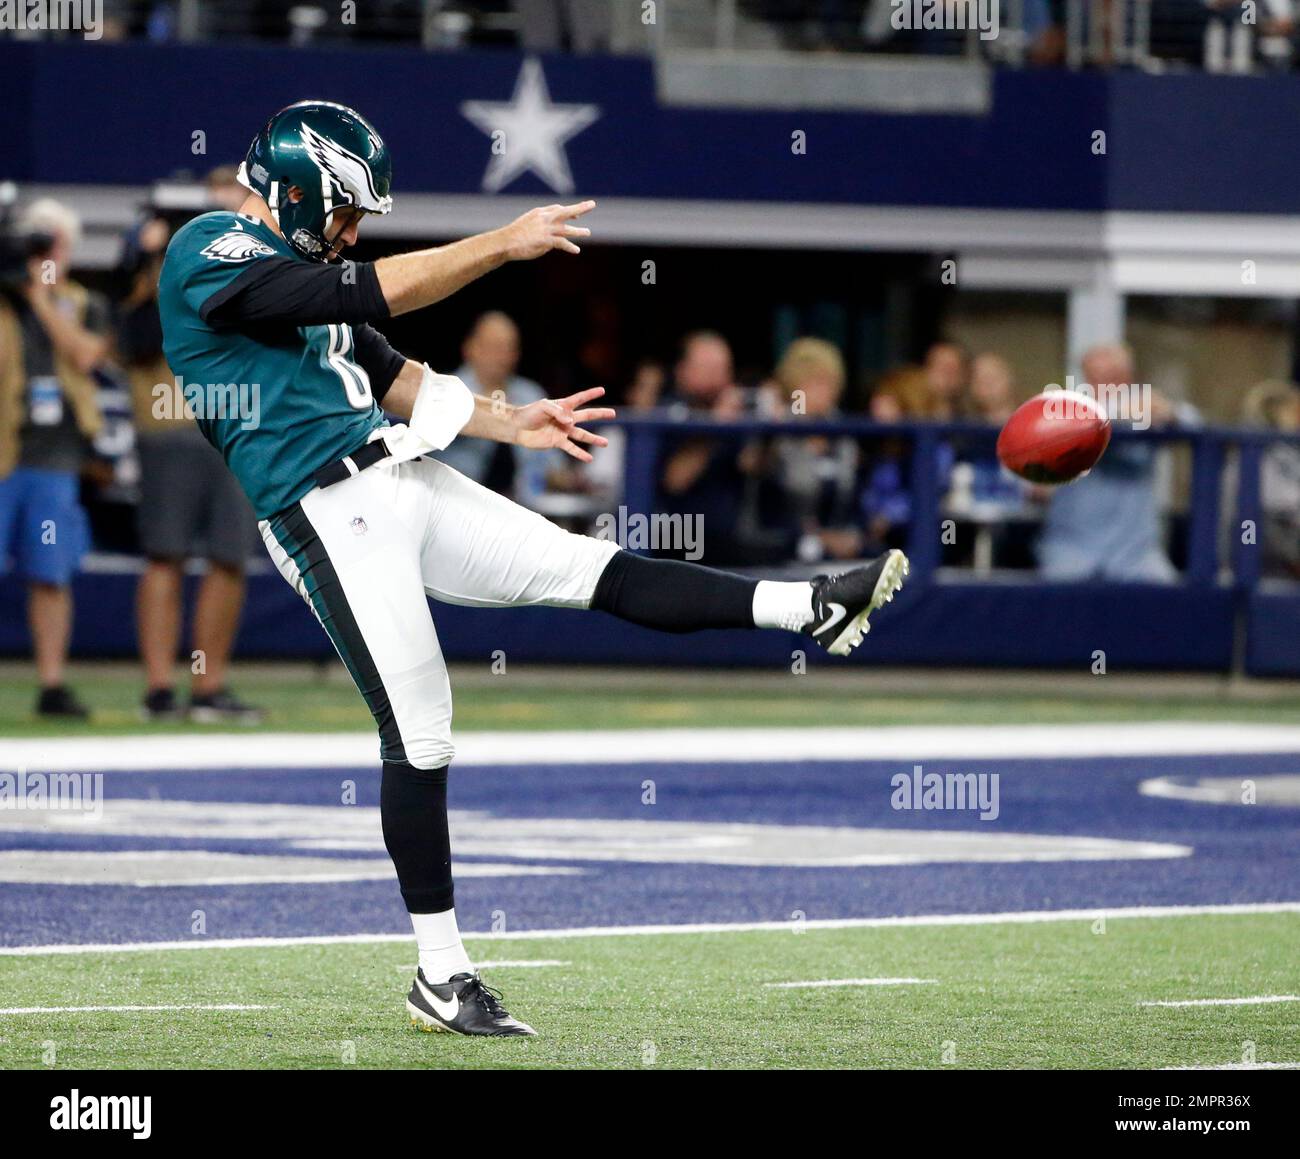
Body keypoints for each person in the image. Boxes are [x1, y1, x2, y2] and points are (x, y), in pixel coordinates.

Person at [158, 101, 911, 1038]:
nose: (351, 233)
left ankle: (809, 606)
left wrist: (506, 419)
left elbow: (389, 368)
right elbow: (358, 295)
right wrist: (501, 244)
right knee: (423, 728)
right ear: (299, 191)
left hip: (397, 475)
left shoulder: (308, 269)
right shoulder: (207, 246)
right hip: (323, 511)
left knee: (591, 567)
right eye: (345, 213)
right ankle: (441, 973)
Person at [116, 207, 264, 723]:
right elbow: (133, 337)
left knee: (229, 556)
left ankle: (208, 687)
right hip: (171, 422)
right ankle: (159, 688)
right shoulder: (154, 276)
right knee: (165, 554)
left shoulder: (245, 255)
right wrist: (148, 258)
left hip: (233, 423)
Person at [0, 198, 108, 718]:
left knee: (51, 572)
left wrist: (42, 300)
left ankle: (51, 683)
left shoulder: (78, 301)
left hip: (53, 457)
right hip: (2, 451)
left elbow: (88, 355)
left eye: (49, 245)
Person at [1037, 343, 1193, 583]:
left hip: (1136, 554)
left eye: (1113, 377)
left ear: (1128, 378)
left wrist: (1170, 412)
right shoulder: (1065, 406)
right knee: (1056, 610)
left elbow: (1194, 423)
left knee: (1175, 605)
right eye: (1096, 377)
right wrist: (1121, 412)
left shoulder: (1145, 409)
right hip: (1071, 550)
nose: (1104, 384)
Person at [432, 311, 563, 508]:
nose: (502, 356)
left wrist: (564, 477)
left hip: (523, 509)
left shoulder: (531, 395)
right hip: (455, 505)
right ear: (470, 348)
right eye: (494, 347)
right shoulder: (443, 390)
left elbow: (553, 467)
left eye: (509, 348)